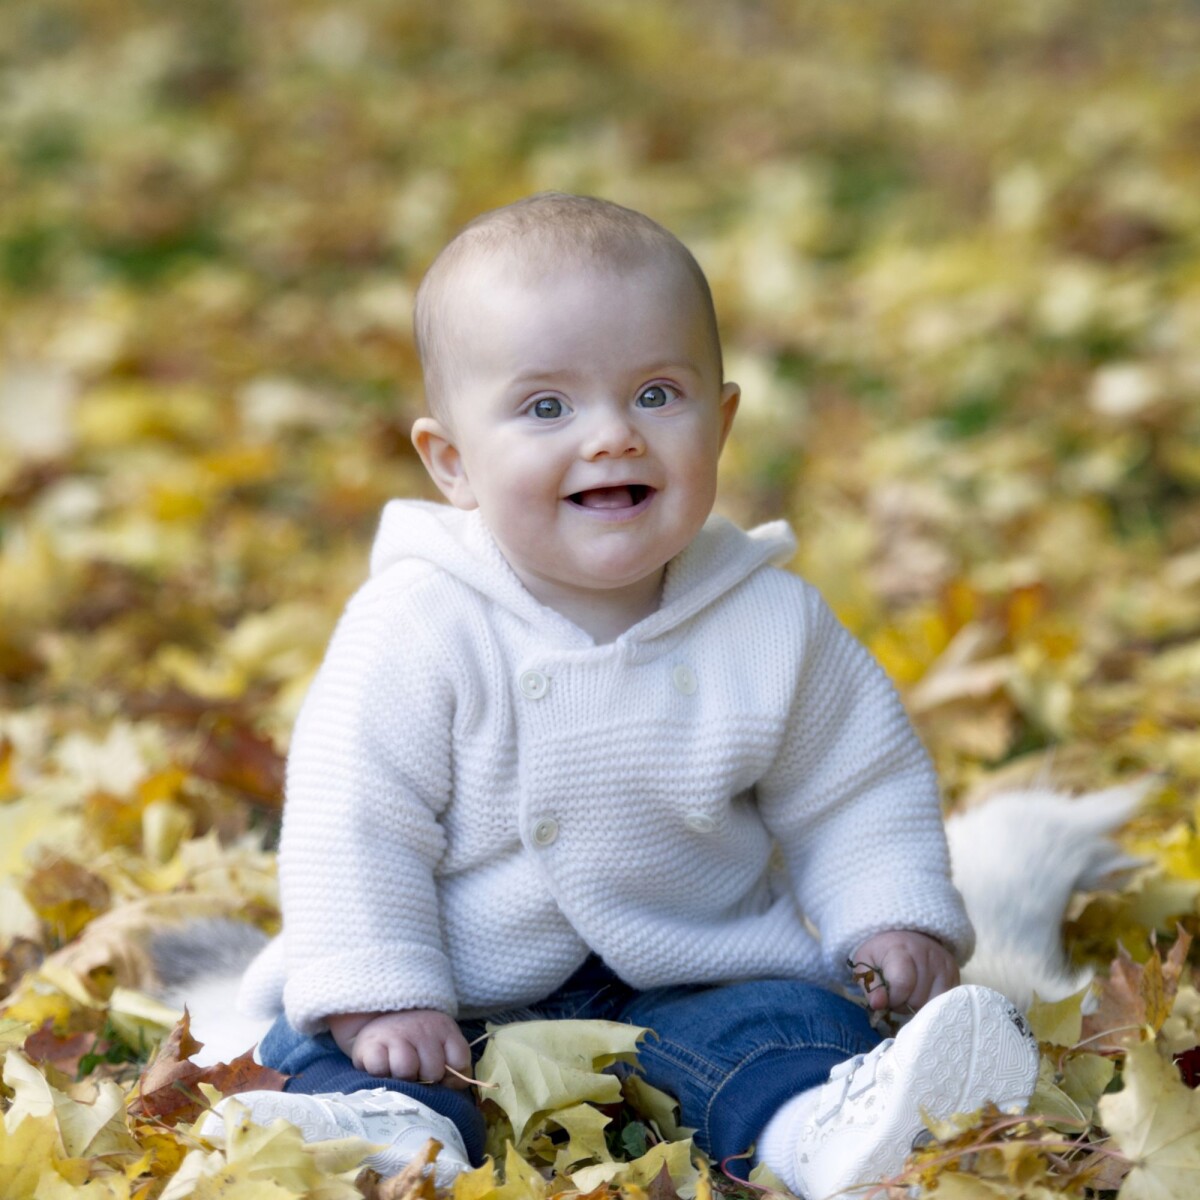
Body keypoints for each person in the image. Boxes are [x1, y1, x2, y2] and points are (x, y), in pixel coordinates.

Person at [205, 193, 1038, 1198]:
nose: (612, 437)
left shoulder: (770, 623)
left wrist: (889, 916)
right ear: (453, 463)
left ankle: (825, 1122)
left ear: (720, 423)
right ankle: (377, 1133)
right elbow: (355, 823)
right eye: (547, 407)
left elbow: (854, 787)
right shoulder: (418, 624)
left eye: (655, 394)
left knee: (786, 1027)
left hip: (689, 971)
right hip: (451, 988)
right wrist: (380, 995)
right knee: (340, 1048)